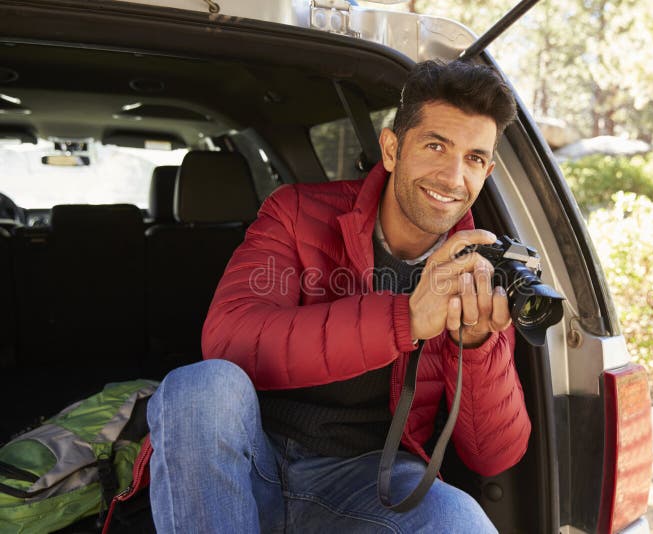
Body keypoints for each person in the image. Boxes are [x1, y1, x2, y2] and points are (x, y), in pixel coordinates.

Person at [146, 60, 532, 533]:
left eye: (473, 158)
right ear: (392, 149)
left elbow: (494, 455)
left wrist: (476, 348)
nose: (453, 177)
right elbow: (229, 341)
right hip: (250, 459)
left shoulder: (476, 266)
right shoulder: (296, 212)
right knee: (199, 388)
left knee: (463, 523)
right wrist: (405, 318)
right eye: (436, 145)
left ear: (487, 169)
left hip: (368, 483)